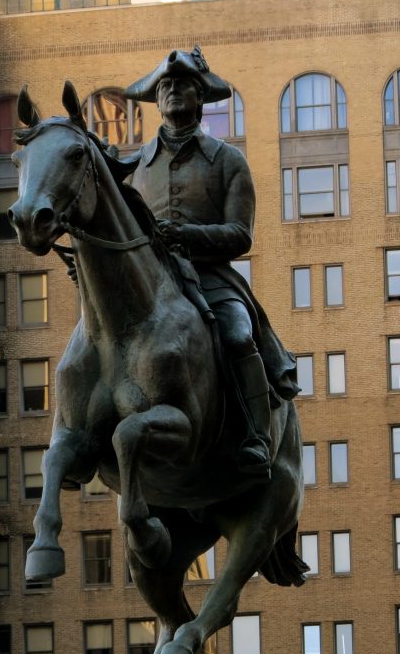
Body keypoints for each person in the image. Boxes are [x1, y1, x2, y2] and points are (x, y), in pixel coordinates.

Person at [124, 46, 298, 480]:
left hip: (210, 279)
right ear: (157, 98)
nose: (174, 91)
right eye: (166, 85)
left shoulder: (228, 161)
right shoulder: (134, 167)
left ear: (201, 97)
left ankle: (257, 436)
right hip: (148, 282)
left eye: (184, 84)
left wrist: (186, 236)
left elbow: (241, 235)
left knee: (239, 335)